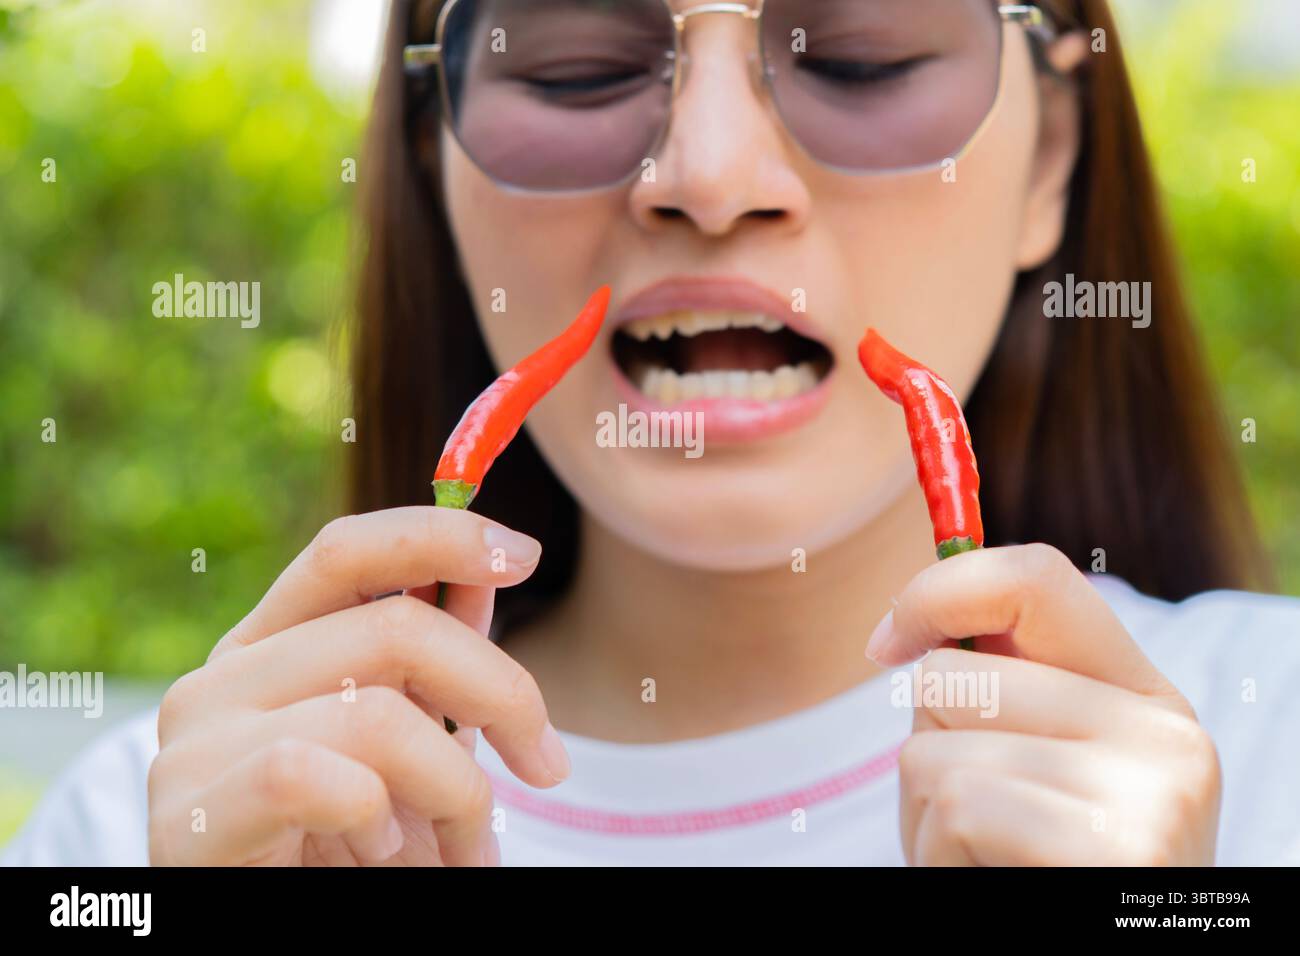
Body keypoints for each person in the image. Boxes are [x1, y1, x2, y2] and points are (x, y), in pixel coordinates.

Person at [6, 0, 1299, 867]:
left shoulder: (1268, 738)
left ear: (1054, 156)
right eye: (576, 68)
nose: (712, 177)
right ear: (430, 162)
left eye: (861, 57)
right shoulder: (145, 834)